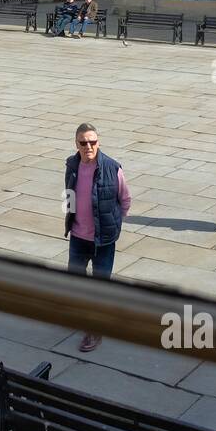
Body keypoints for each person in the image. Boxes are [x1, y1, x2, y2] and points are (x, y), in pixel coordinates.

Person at [64, 122, 132, 352]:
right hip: (78, 237)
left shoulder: (112, 168)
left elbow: (125, 200)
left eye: (92, 142)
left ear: (98, 142)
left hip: (103, 239)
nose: (88, 146)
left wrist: (113, 224)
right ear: (77, 144)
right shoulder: (72, 165)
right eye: (83, 143)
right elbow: (70, 194)